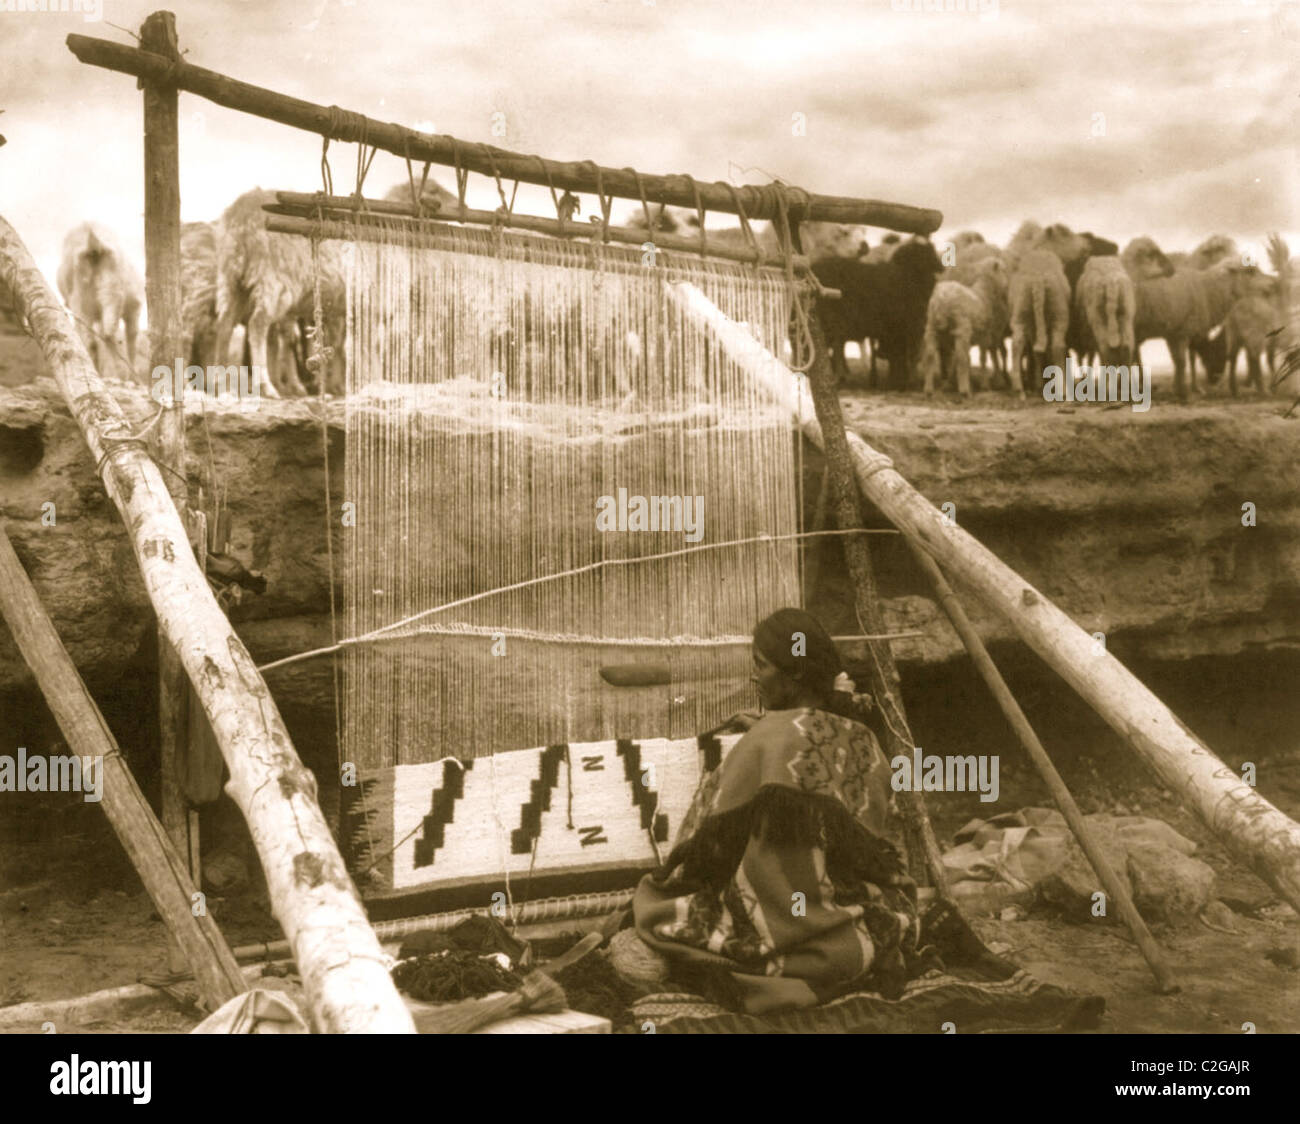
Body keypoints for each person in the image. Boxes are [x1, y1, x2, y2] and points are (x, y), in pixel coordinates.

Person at [628, 607, 931, 1014]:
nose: (755, 677)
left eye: (761, 665)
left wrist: (663, 885)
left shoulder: (765, 739)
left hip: (783, 927)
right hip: (855, 929)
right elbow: (875, 845)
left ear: (796, 673)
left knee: (662, 911)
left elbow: (702, 845)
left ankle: (787, 955)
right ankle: (842, 944)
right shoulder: (864, 739)